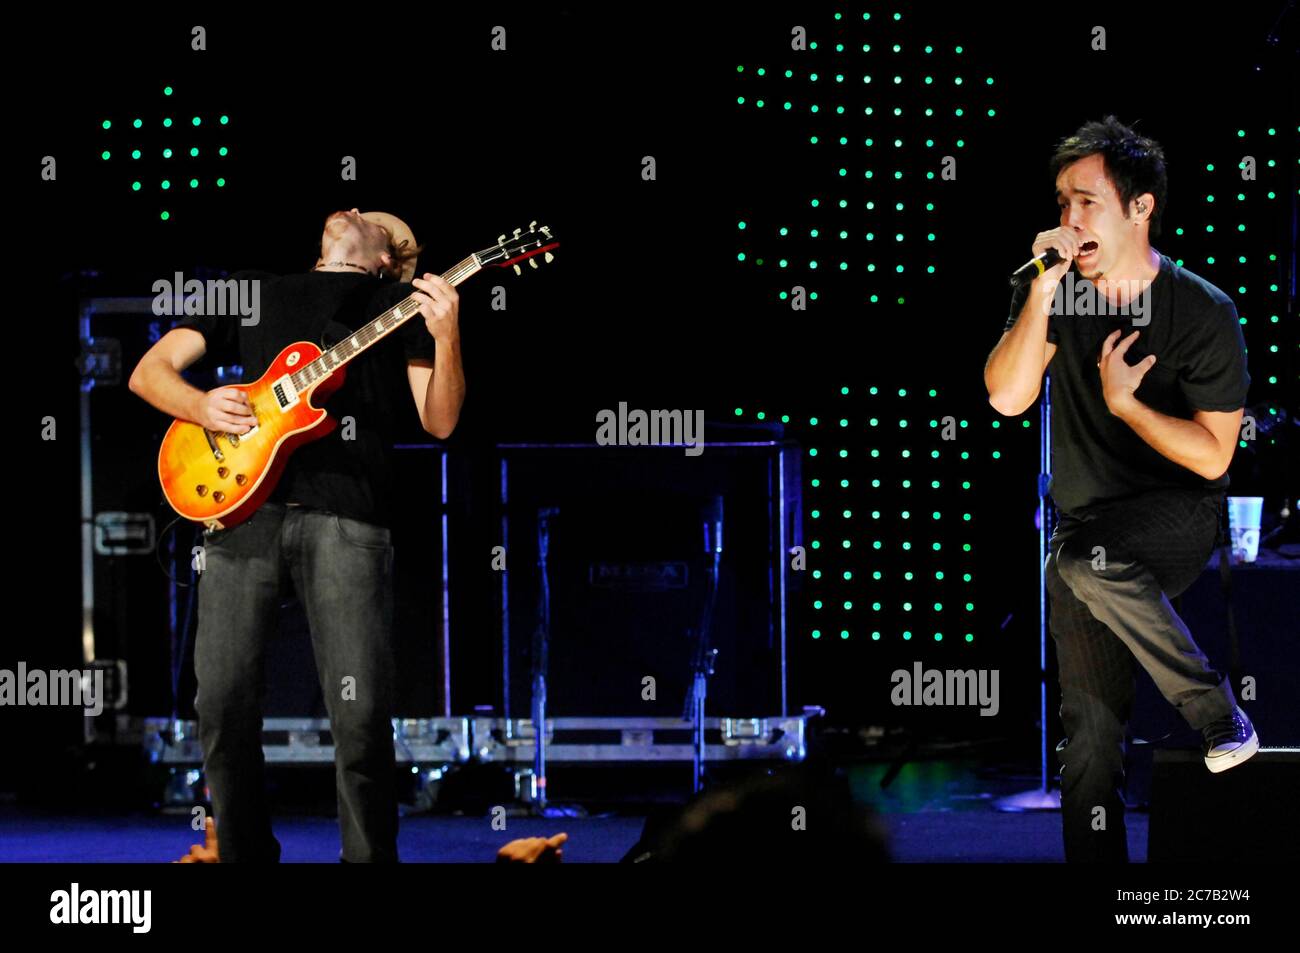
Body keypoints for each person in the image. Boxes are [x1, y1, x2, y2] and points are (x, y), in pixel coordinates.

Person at [131, 209, 466, 862]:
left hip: (349, 513)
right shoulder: (254, 289)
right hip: (240, 513)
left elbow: (442, 421)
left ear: (387, 257)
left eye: (374, 217)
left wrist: (448, 334)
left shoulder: (395, 302)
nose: (356, 210)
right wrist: (200, 405)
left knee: (361, 715)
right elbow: (151, 372)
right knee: (222, 704)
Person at [984, 117, 1259, 863]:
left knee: (1079, 561)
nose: (1070, 220)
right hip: (1083, 532)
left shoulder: (1203, 310)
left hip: (1176, 519)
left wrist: (1129, 405)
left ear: (1139, 209)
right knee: (1089, 743)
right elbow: (1007, 398)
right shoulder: (1048, 288)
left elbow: (1212, 458)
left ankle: (1217, 713)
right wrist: (1040, 292)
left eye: (1086, 202)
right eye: (1061, 203)